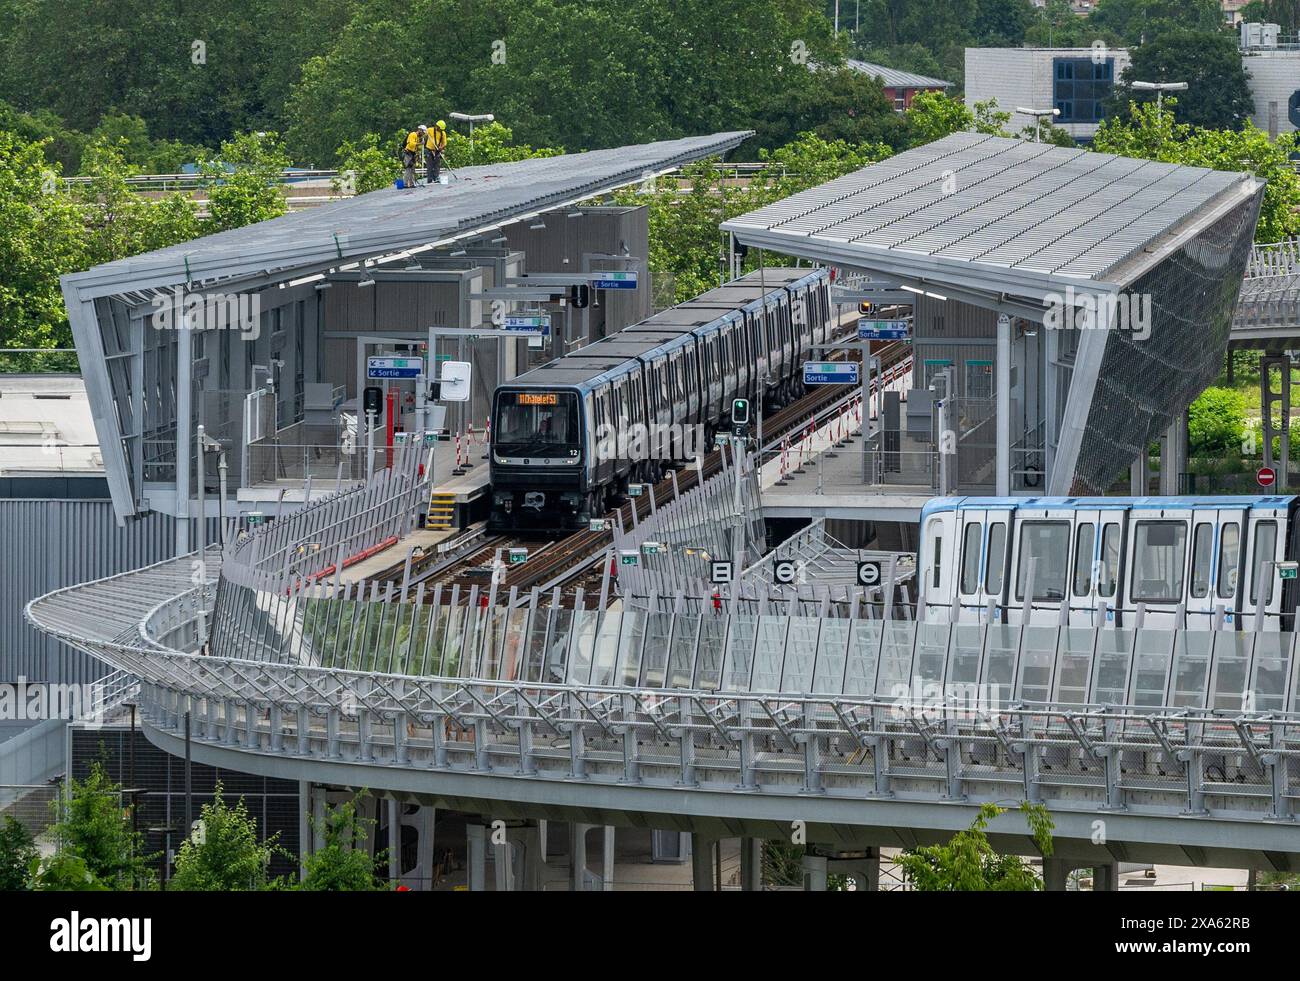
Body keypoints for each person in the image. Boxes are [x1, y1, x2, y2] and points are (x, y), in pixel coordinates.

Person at [401, 125, 427, 189]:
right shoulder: (413, 134)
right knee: (408, 168)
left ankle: (412, 183)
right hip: (408, 153)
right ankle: (405, 184)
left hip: (412, 154)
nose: (423, 134)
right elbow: (411, 144)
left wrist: (418, 154)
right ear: (420, 130)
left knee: (412, 169)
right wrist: (420, 143)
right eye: (422, 133)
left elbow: (415, 147)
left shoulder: (418, 137)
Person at [425, 120, 448, 184]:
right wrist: (425, 134)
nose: (440, 130)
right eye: (440, 128)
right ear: (437, 126)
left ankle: (436, 178)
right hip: (429, 150)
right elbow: (424, 133)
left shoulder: (443, 133)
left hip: (437, 150)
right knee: (430, 165)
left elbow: (444, 143)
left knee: (437, 165)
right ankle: (429, 180)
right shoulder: (430, 130)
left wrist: (441, 148)